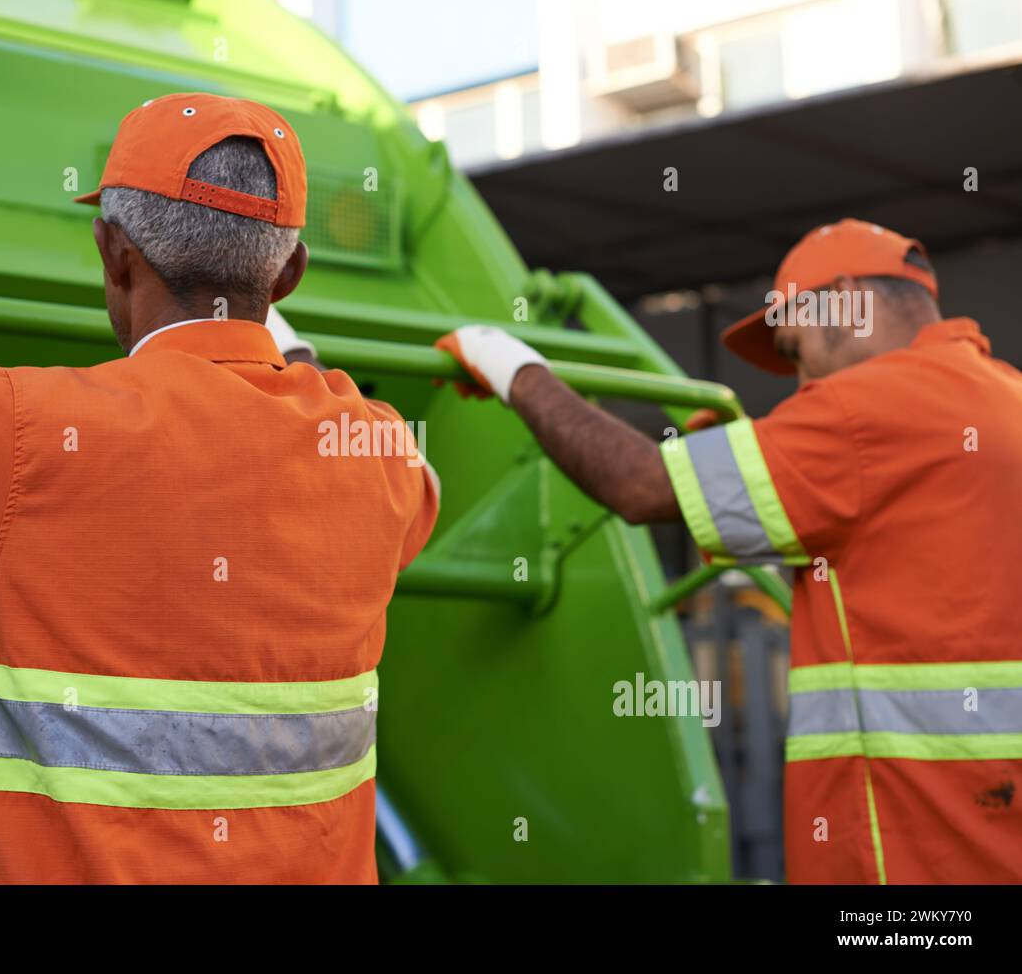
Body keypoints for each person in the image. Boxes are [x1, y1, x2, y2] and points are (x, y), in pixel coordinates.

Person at [0, 92, 438, 884]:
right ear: (291, 274)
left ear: (114, 252)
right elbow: (413, 477)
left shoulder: (26, 428)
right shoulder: (376, 445)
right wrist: (291, 351)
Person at [436, 218, 1022, 883]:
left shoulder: (871, 410)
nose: (802, 382)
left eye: (796, 347)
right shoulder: (1001, 397)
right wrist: (749, 466)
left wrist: (516, 370)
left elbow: (639, 485)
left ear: (847, 300)